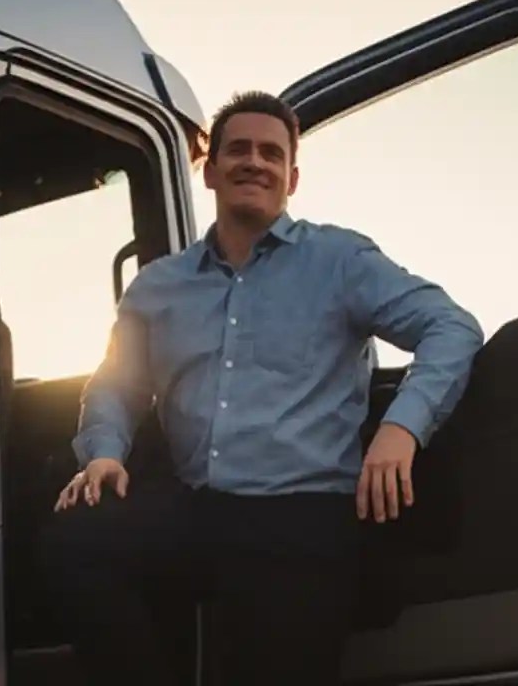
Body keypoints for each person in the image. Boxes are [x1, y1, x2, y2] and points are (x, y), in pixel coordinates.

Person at [38, 91, 484, 685]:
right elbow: (115, 384)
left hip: (303, 517)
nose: (255, 162)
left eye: (272, 153)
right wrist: (103, 456)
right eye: (239, 150)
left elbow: (451, 327)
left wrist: (401, 429)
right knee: (74, 544)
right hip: (196, 508)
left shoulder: (340, 259)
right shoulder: (157, 286)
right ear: (211, 169)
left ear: (292, 177)